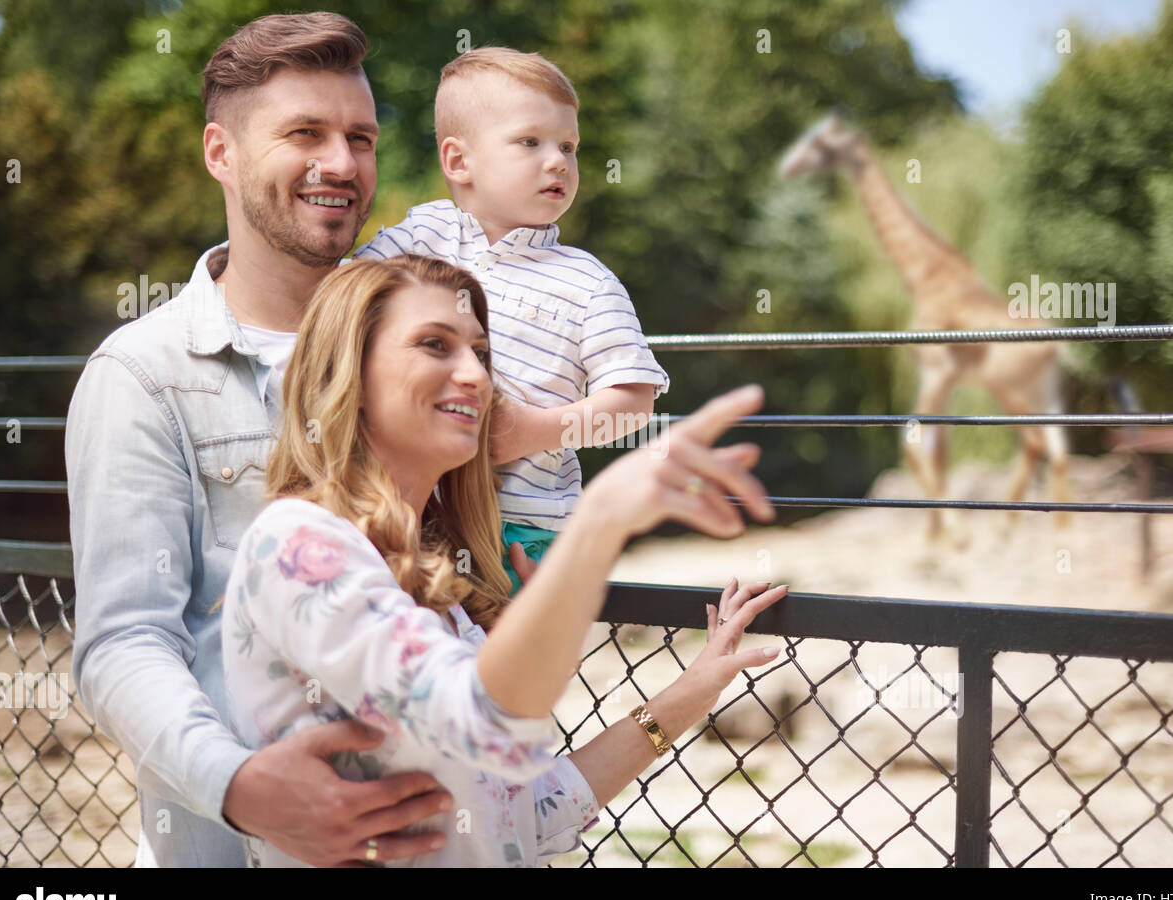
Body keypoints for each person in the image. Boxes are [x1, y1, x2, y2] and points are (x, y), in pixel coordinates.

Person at [221, 253, 787, 866]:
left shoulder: (439, 590)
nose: (476, 375)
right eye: (435, 345)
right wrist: (596, 524)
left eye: (482, 354)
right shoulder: (300, 543)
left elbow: (526, 812)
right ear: (348, 375)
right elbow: (485, 723)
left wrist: (697, 685)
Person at [65, 12, 458, 867]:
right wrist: (242, 788)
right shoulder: (143, 373)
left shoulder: (428, 357)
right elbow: (122, 641)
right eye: (304, 133)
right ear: (221, 153)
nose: (341, 164)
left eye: (361, 136)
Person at [353, 47, 669, 592]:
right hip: (407, 509)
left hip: (520, 529)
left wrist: (534, 432)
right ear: (458, 162)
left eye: (569, 147)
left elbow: (635, 402)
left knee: (502, 670)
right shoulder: (421, 235)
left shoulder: (587, 281)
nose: (558, 162)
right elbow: (344, 305)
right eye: (530, 142)